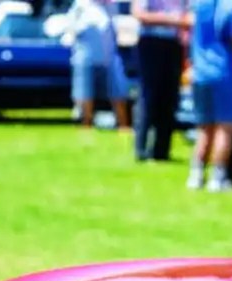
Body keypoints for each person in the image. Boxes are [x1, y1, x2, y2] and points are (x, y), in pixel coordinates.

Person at [187, 0, 232, 192]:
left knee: (204, 128)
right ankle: (218, 178)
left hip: (200, 72)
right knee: (225, 128)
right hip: (225, 71)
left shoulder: (201, 3)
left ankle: (196, 175)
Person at [131, 0, 189, 161]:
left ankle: (161, 150)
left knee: (169, 97)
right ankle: (141, 148)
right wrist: (174, 20)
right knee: (148, 95)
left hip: (174, 43)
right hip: (151, 40)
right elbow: (139, 13)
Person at [64, 0, 130, 129]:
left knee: (118, 90)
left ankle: (123, 126)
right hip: (86, 54)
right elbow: (71, 28)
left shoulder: (111, 7)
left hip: (110, 54)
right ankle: (86, 124)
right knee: (84, 92)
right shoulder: (81, 5)